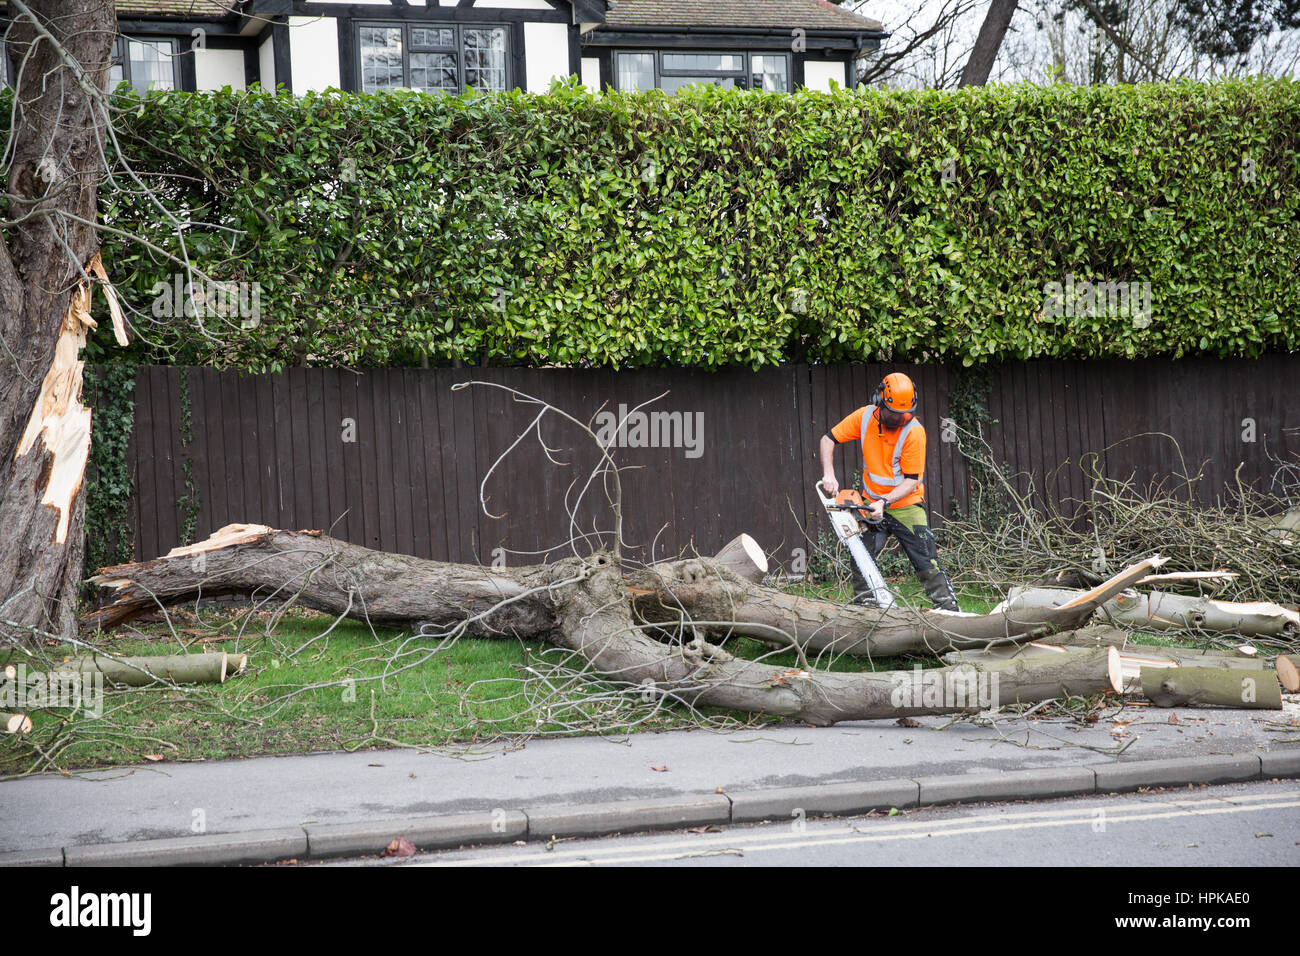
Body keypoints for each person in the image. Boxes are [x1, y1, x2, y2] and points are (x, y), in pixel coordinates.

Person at [818, 372, 959, 611]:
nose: (898, 419)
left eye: (902, 414)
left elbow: (911, 482)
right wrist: (829, 473)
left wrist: (883, 501)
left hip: (906, 505)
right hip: (869, 503)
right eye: (892, 413)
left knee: (926, 560)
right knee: (860, 557)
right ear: (879, 400)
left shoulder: (914, 431)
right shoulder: (864, 417)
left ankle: (948, 610)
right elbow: (827, 439)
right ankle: (866, 608)